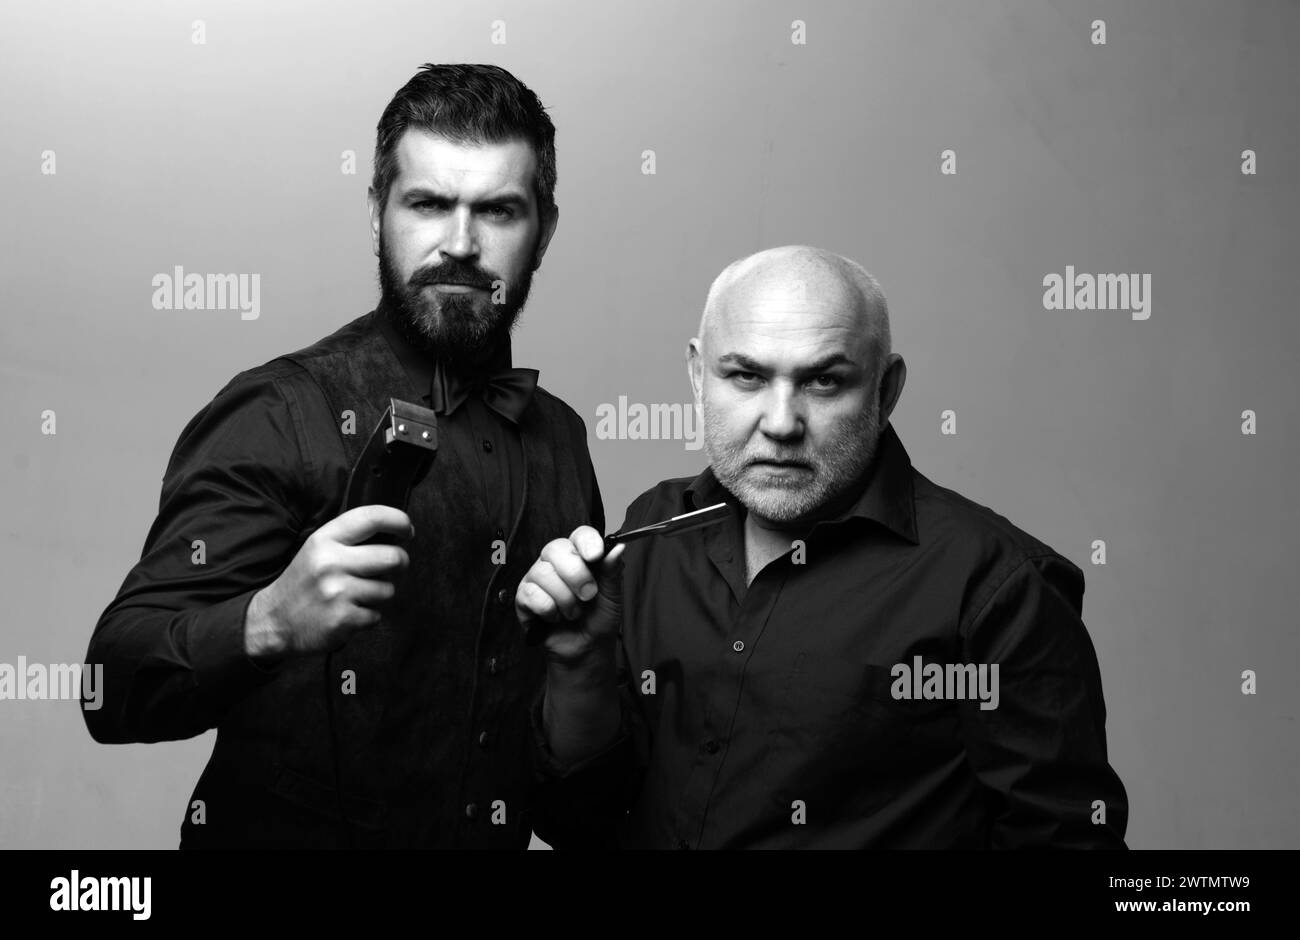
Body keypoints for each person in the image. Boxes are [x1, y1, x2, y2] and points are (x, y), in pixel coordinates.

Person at [83, 63, 603, 849]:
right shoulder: (280, 412)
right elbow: (108, 689)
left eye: (497, 210)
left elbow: (569, 808)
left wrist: (582, 666)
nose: (460, 245)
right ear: (376, 214)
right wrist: (266, 623)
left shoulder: (560, 439)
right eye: (428, 204)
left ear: (546, 229)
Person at [517, 245, 1129, 849]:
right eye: (747, 376)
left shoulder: (999, 588)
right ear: (697, 377)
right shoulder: (654, 529)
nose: (781, 423)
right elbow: (579, 821)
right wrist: (579, 665)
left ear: (886, 391)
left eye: (824, 381)